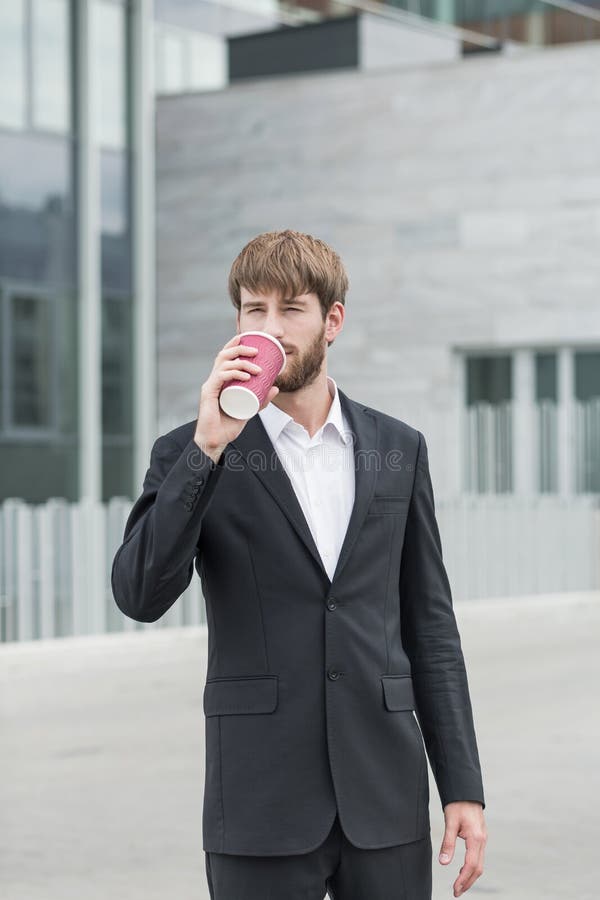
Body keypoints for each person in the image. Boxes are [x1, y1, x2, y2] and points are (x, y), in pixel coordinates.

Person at [111, 229, 487, 900]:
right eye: (254, 310)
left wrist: (462, 787)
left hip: (386, 797)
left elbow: (431, 627)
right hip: (260, 803)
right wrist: (207, 451)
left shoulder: (397, 448)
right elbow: (139, 594)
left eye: (292, 310)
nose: (271, 328)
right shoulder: (191, 451)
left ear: (332, 321)